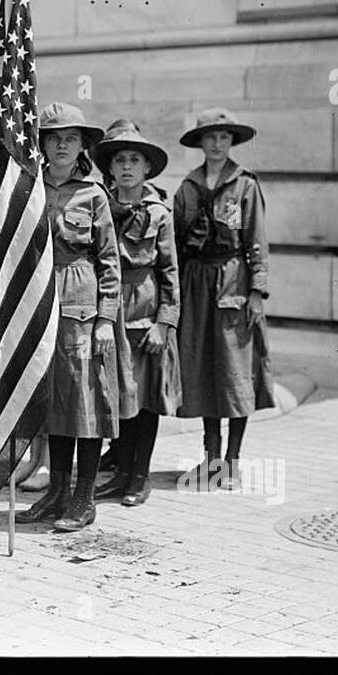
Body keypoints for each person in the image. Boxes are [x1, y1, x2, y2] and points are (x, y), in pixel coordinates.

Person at [18, 102, 121, 532]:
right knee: (53, 404)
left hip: (81, 305)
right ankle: (56, 492)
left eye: (71, 138)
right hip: (40, 303)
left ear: (82, 145)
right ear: (42, 144)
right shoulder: (30, 189)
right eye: (54, 137)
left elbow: (110, 261)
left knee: (85, 405)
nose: (62, 145)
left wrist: (104, 320)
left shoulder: (93, 195)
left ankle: (82, 497)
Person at [173, 107, 274, 491]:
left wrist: (256, 291)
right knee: (203, 371)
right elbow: (178, 245)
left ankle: (232, 462)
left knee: (235, 374)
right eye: (210, 137)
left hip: (234, 284)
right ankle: (211, 458)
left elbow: (257, 241)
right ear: (200, 142)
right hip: (196, 285)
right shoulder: (188, 188)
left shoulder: (245, 185)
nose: (217, 144)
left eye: (224, 137)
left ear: (232, 142)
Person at [93, 119, 181, 506]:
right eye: (119, 160)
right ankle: (121, 471)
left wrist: (165, 322)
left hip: (143, 312)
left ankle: (139, 477)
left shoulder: (159, 213)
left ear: (147, 168)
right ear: (109, 168)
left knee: (143, 400)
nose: (127, 166)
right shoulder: (98, 205)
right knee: (114, 395)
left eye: (135, 160)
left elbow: (169, 271)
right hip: (107, 310)